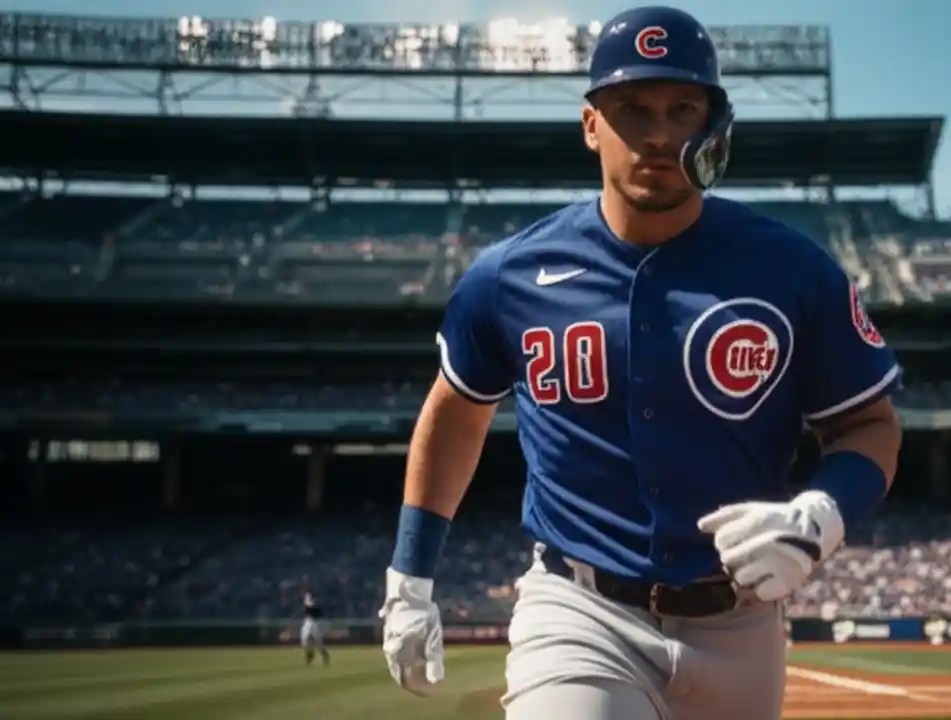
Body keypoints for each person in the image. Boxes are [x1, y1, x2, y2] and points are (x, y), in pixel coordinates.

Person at [376, 6, 903, 719]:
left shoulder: (794, 271)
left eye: (683, 108)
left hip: (741, 624)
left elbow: (870, 424)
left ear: (715, 126)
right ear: (591, 123)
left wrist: (821, 514)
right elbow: (456, 412)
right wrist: (410, 574)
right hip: (579, 612)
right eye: (631, 109)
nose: (658, 133)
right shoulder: (508, 276)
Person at [301, 592, 330, 666]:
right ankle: (310, 655)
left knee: (318, 642)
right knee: (304, 640)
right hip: (307, 622)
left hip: (313, 623)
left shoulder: (313, 604)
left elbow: (312, 609)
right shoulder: (308, 603)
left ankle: (324, 654)